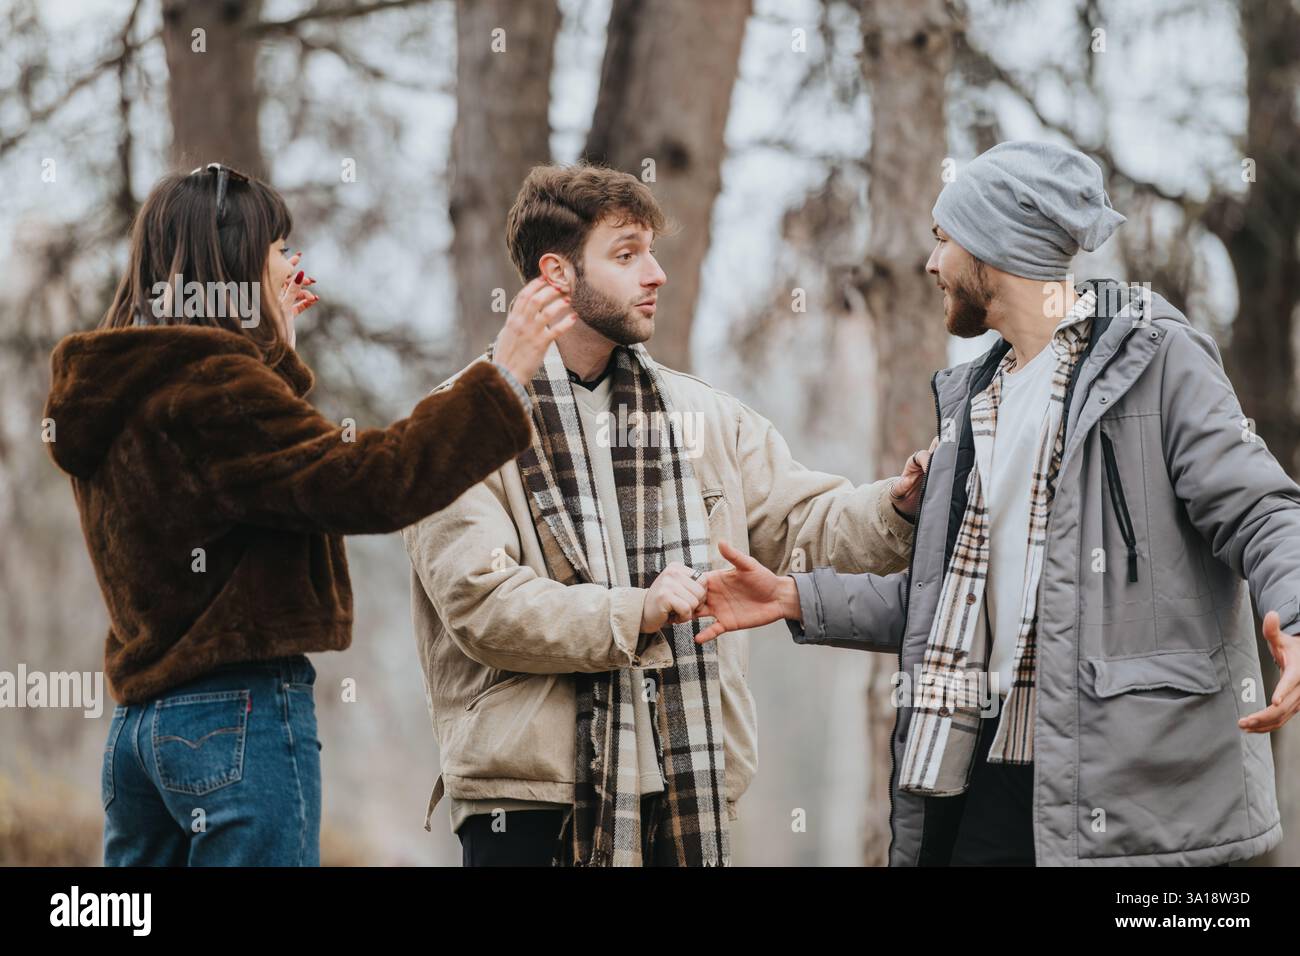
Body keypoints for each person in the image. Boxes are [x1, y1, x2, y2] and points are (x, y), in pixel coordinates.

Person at [694, 141, 1300, 867]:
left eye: (943, 240)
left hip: (1131, 798)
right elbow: (944, 604)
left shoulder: (1156, 359)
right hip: (990, 767)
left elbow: (1261, 509)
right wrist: (796, 596)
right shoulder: (976, 404)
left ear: (996, 246)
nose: (930, 264)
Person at [42, 163, 575, 866]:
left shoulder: (125, 392)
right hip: (234, 718)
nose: (293, 263)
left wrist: (271, 350)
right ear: (234, 259)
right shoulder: (217, 388)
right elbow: (368, 481)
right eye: (278, 245)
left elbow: (261, 480)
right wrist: (500, 377)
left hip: (141, 735)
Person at [403, 162, 931, 866]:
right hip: (527, 805)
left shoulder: (704, 416)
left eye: (652, 251)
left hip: (686, 790)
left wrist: (895, 505)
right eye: (626, 255)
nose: (655, 274)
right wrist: (634, 613)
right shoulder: (461, 424)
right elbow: (483, 605)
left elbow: (806, 522)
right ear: (556, 273)